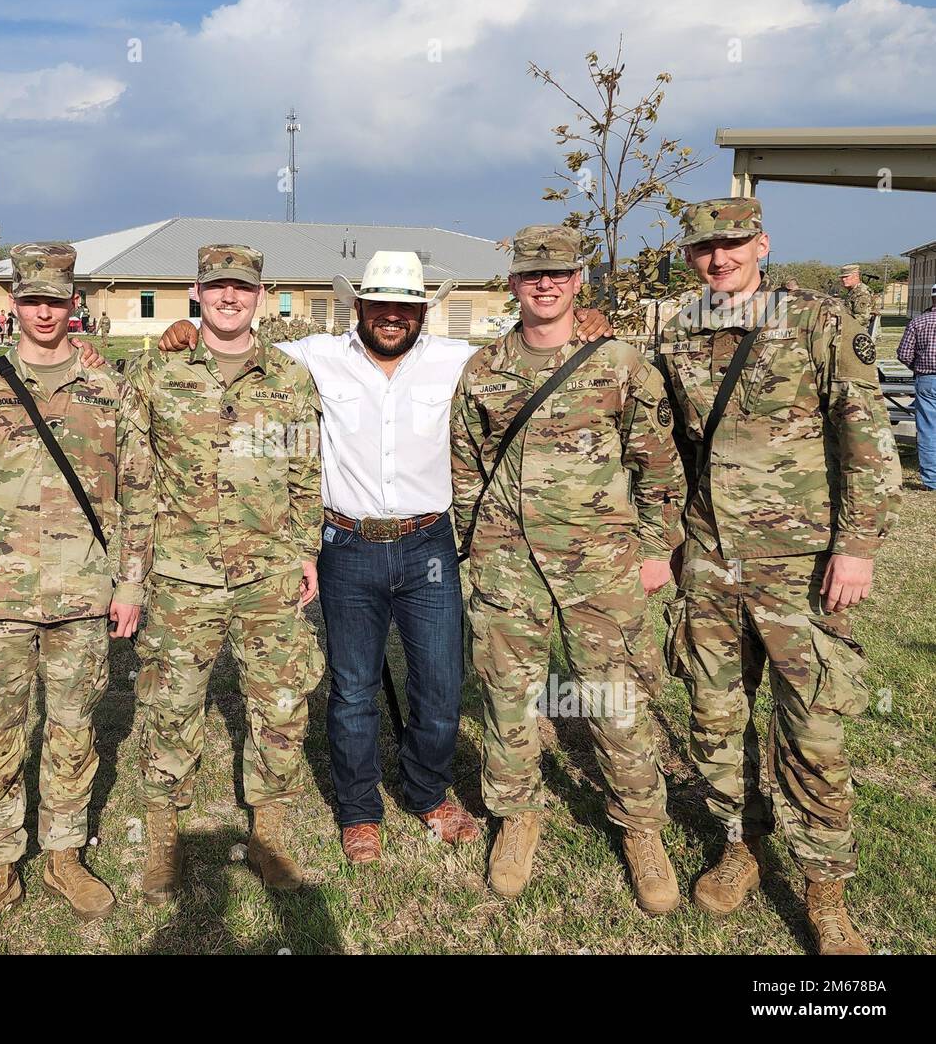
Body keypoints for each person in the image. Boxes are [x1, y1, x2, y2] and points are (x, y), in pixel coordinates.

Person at [158, 251, 612, 863]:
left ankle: (427, 792)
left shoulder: (459, 362)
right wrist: (186, 330)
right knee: (352, 689)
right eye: (381, 305)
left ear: (423, 310)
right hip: (345, 545)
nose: (393, 317)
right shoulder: (316, 358)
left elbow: (531, 353)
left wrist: (589, 320)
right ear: (359, 306)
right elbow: (236, 343)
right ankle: (359, 809)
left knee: (442, 684)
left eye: (406, 306)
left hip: (429, 544)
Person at [657, 198, 901, 955]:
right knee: (716, 718)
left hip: (801, 566)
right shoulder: (675, 328)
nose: (719, 259)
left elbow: (864, 430)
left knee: (814, 728)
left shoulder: (821, 321)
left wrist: (856, 544)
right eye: (704, 249)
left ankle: (825, 893)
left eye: (732, 244)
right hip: (708, 558)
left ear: (761, 242)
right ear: (690, 257)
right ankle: (740, 848)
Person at [451, 226, 686, 912]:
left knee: (615, 698)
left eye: (558, 273)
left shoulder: (620, 363)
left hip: (600, 562)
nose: (545, 284)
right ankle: (517, 815)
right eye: (532, 274)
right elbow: (465, 459)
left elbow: (659, 464)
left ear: (578, 280)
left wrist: (651, 548)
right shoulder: (485, 366)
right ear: (515, 283)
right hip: (508, 563)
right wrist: (479, 539)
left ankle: (641, 829)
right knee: (508, 694)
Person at [0, 242, 131, 946]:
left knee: (74, 732)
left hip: (81, 597)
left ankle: (65, 855)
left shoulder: (109, 388)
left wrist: (130, 582)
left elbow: (138, 494)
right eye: (32, 299)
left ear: (74, 305)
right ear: (14, 304)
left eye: (56, 300)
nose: (45, 312)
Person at [115, 244, 324, 902]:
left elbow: (304, 474)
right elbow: (134, 480)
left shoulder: (289, 377)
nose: (231, 297)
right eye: (218, 286)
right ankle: (163, 839)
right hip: (182, 573)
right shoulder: (157, 367)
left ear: (261, 295)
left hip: (266, 572)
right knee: (171, 707)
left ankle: (271, 833)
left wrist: (304, 551)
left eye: (244, 287)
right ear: (196, 292)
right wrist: (130, 575)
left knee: (280, 704)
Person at [897, 285, 936, 491]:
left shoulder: (918, 321)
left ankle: (931, 481)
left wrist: (918, 366)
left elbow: (903, 353)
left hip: (927, 379)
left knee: (928, 430)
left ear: (931, 299)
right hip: (926, 378)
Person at [839, 264, 880, 338]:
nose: (843, 279)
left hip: (861, 335)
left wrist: (840, 324)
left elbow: (862, 318)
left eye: (846, 277)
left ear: (856, 276)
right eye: (842, 277)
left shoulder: (862, 293)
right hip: (854, 332)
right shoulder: (853, 292)